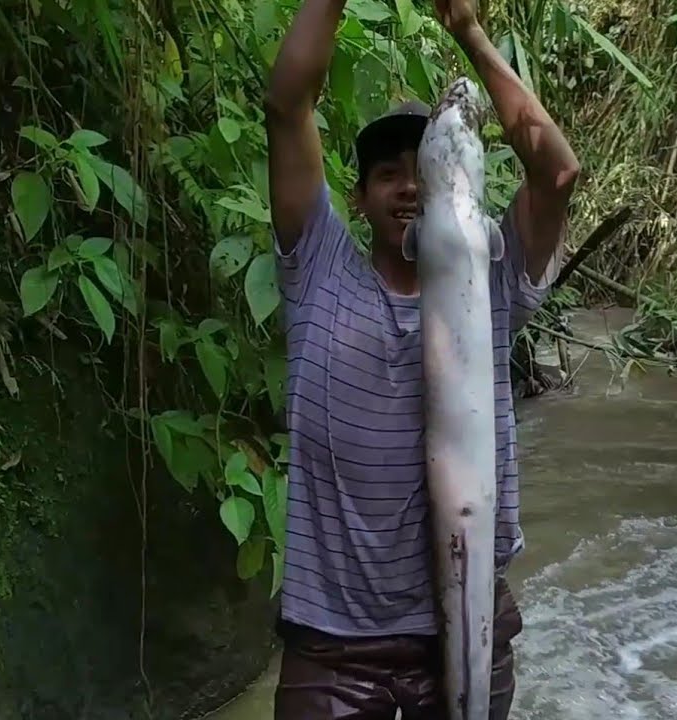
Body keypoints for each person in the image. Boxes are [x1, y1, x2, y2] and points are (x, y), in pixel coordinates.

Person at [262, 0, 579, 716]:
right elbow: (286, 105)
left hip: (462, 634)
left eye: (422, 168)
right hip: (333, 650)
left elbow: (557, 174)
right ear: (360, 197)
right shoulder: (317, 269)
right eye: (387, 173)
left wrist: (467, 29)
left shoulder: (491, 276)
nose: (410, 185)